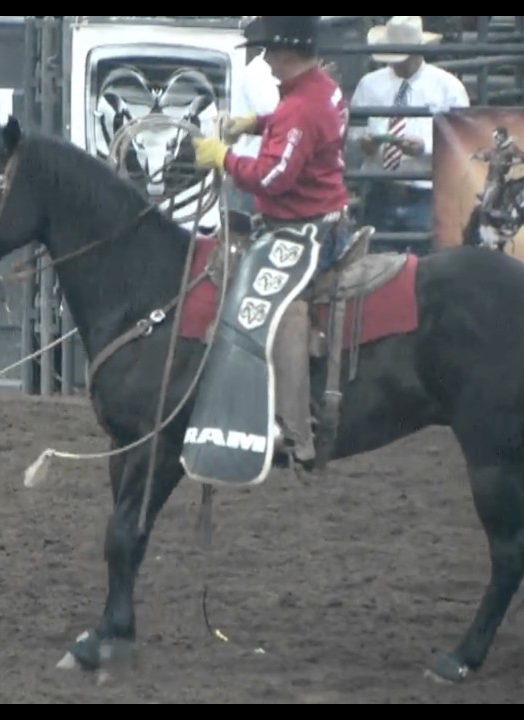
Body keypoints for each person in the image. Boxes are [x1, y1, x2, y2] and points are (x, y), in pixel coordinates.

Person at [190, 15, 350, 469]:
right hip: (324, 216)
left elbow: (273, 178)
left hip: (304, 229)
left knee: (279, 305)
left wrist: (223, 156)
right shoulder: (319, 90)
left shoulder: (299, 108)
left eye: (269, 53)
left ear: (287, 51)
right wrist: (258, 125)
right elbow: (299, 129)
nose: (266, 61)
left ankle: (296, 432)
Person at [353, 16, 469, 240]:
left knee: (423, 260)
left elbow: (460, 141)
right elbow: (354, 129)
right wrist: (362, 143)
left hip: (425, 191)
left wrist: (424, 148)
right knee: (378, 259)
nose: (394, 63)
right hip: (380, 189)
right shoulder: (369, 84)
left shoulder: (448, 88)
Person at [224, 16, 282, 215]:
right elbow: (278, 117)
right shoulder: (258, 75)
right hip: (251, 174)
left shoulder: (260, 73)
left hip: (256, 172)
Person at [472, 125, 524, 225]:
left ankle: (513, 220)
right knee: (484, 203)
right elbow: (486, 156)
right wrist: (475, 156)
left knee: (487, 208)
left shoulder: (511, 148)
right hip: (489, 180)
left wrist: (512, 163)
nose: (495, 139)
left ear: (502, 136)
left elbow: (523, 158)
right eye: (494, 137)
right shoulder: (495, 149)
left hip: (497, 181)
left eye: (497, 137)